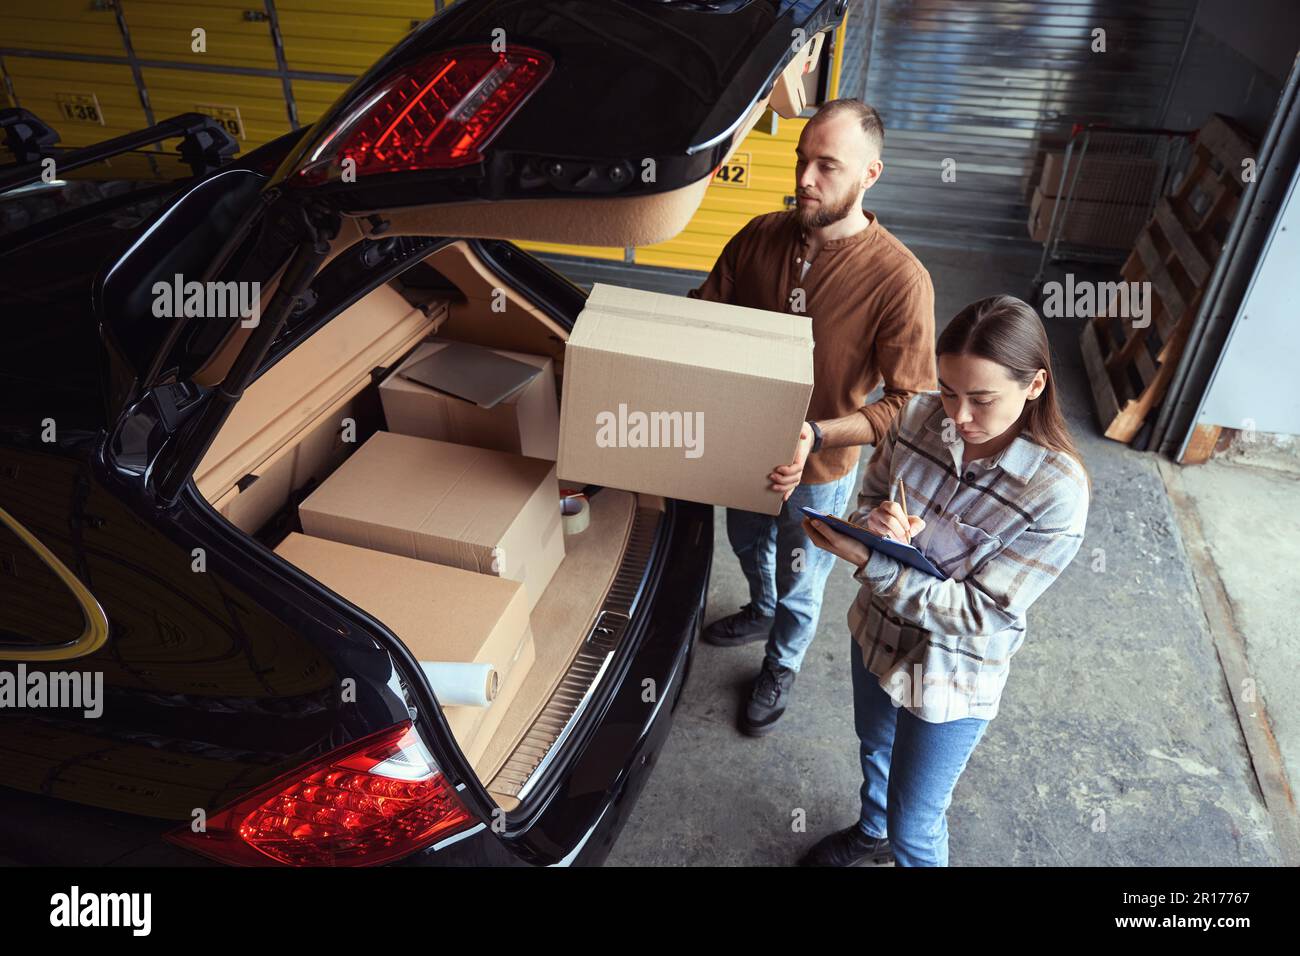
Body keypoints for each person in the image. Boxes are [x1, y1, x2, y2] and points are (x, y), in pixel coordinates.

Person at [797, 294, 1092, 867]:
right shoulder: (915, 417)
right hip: (877, 635)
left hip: (953, 673)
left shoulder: (1056, 493)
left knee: (917, 824)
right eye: (948, 390)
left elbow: (983, 614)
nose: (956, 416)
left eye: (981, 400)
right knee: (876, 748)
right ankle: (870, 831)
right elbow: (871, 499)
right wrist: (873, 524)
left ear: (1034, 385)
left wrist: (872, 560)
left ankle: (892, 838)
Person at [689, 98, 936, 736]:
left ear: (870, 175)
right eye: (803, 160)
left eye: (828, 165)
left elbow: (908, 404)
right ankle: (760, 608)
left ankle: (781, 662)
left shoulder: (900, 279)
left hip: (821, 463)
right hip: (741, 442)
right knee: (746, 543)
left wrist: (817, 433)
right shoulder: (759, 236)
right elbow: (702, 317)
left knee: (803, 576)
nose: (804, 178)